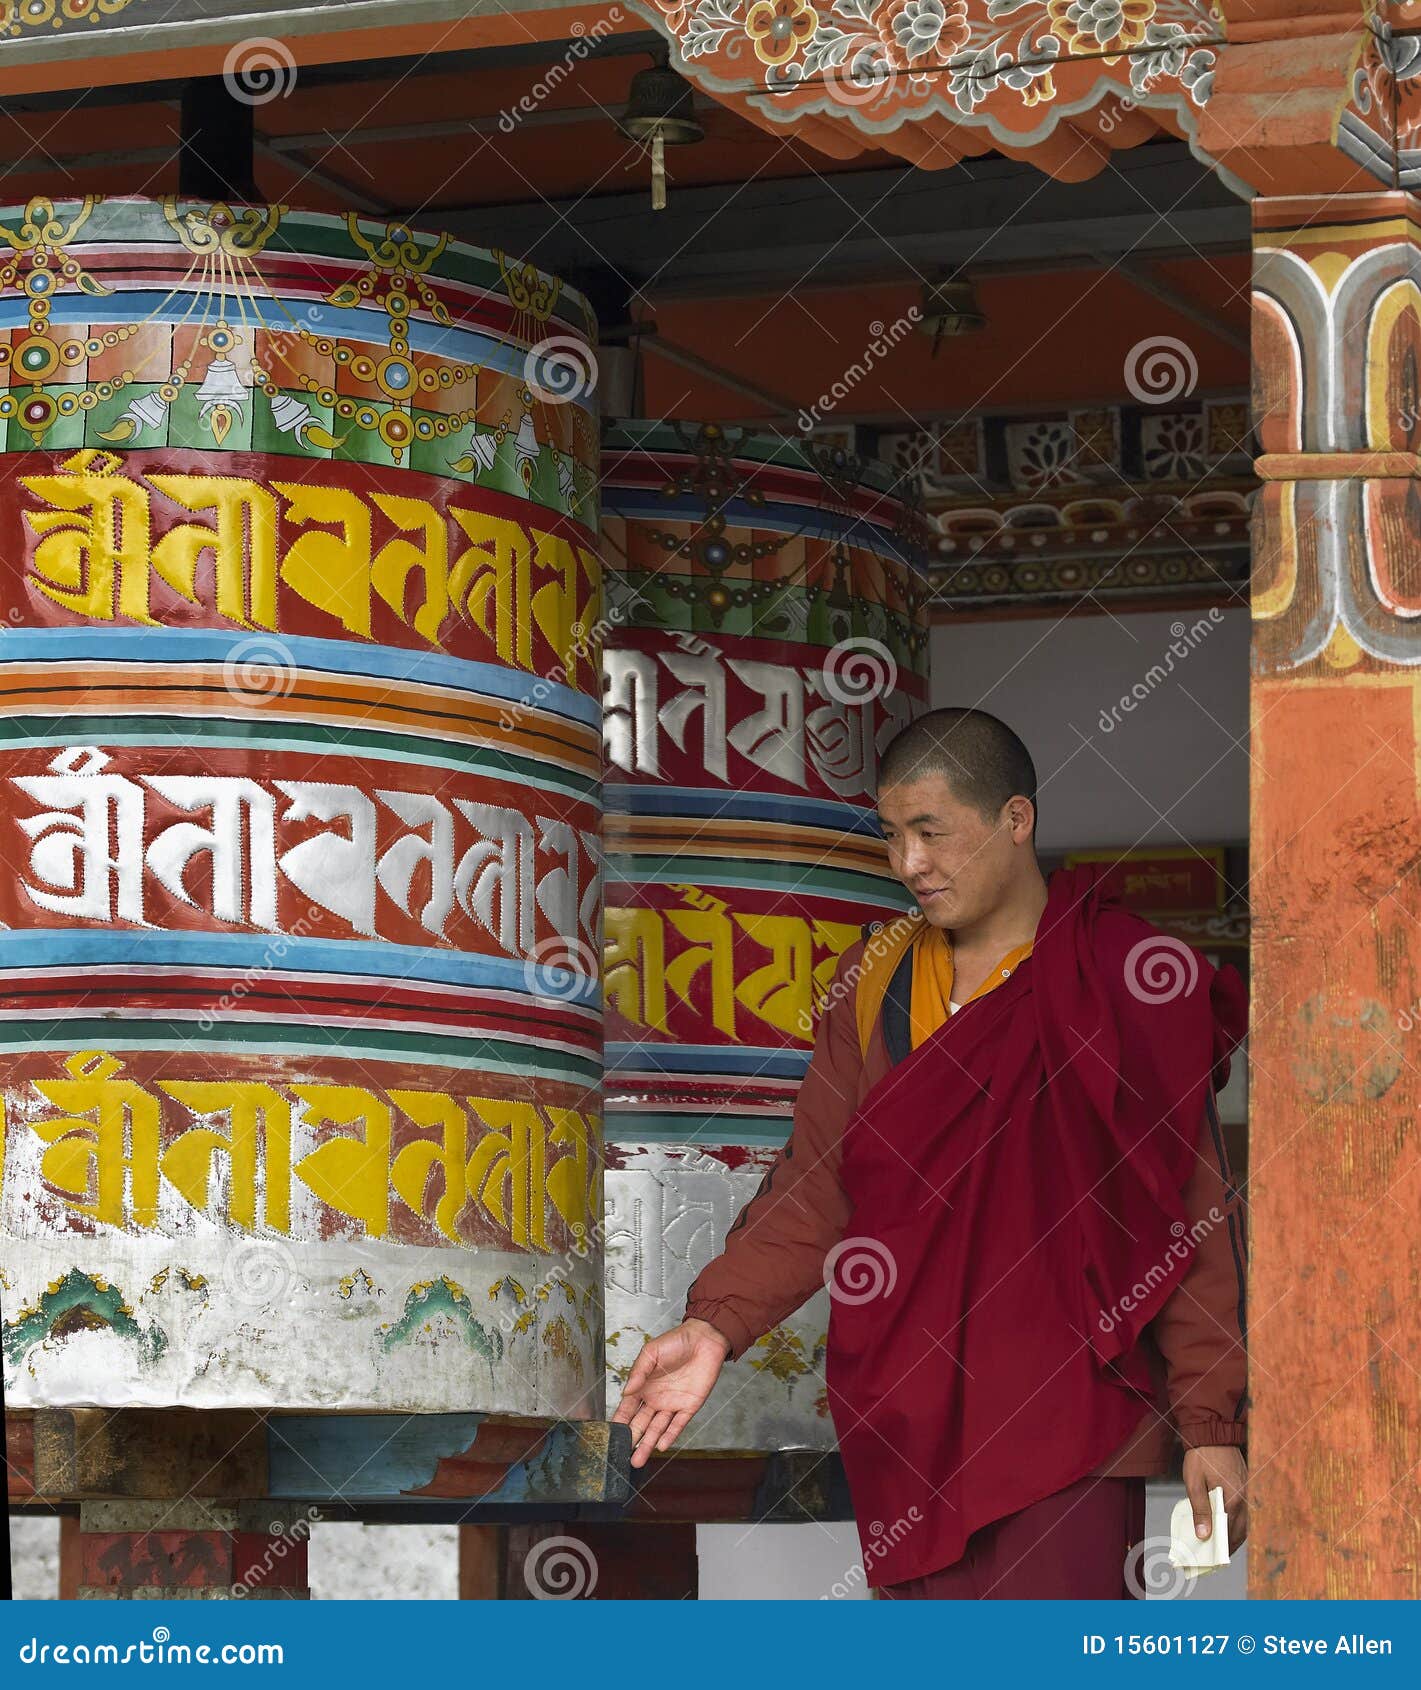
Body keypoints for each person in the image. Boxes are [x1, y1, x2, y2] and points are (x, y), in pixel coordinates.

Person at [611, 706, 1249, 1599]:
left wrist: (1211, 1418)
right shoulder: (876, 984)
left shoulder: (1118, 976)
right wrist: (717, 1322)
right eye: (892, 835)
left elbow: (1187, 1207)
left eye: (931, 832)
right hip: (908, 1418)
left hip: (1067, 1419)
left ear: (1014, 820)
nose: (909, 863)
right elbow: (813, 1186)